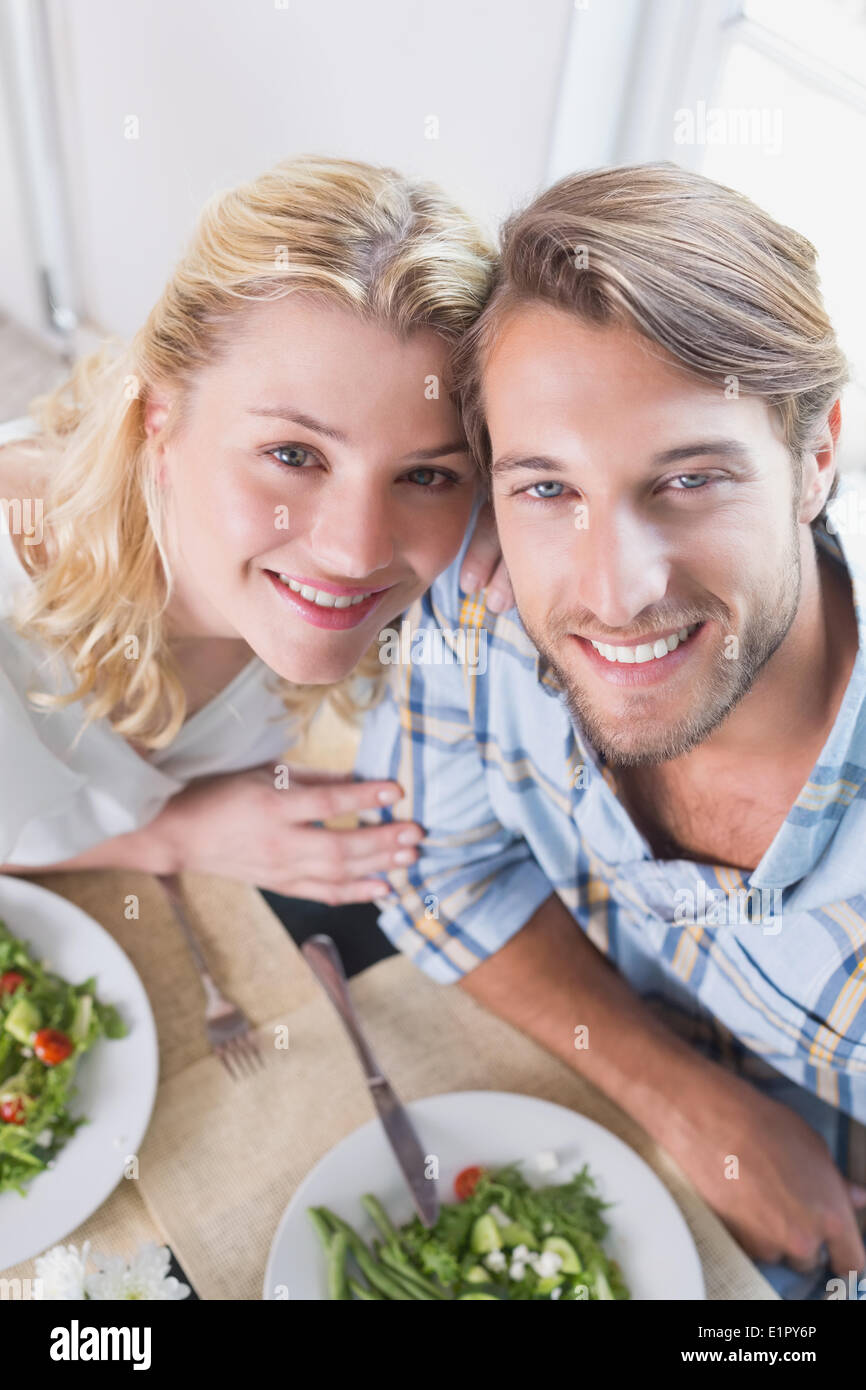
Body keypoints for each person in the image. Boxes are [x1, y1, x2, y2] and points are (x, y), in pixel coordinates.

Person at [354, 162, 866, 1299]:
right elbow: (438, 870)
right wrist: (686, 1097)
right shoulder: (485, 607)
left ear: (815, 456)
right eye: (546, 488)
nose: (613, 589)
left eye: (686, 478)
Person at [0, 154, 515, 901]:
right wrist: (179, 836)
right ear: (160, 417)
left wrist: (529, 506)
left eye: (426, 473)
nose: (356, 551)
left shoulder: (453, 540)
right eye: (293, 454)